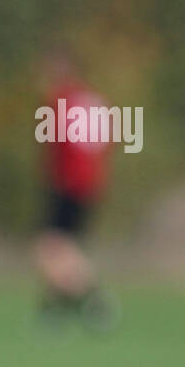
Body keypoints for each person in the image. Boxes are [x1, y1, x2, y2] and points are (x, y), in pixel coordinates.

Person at [33, 50, 117, 330]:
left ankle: (95, 301)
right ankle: (54, 311)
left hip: (69, 183)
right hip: (90, 183)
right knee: (61, 248)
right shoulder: (94, 101)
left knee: (51, 250)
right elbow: (103, 143)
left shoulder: (61, 102)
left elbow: (60, 145)